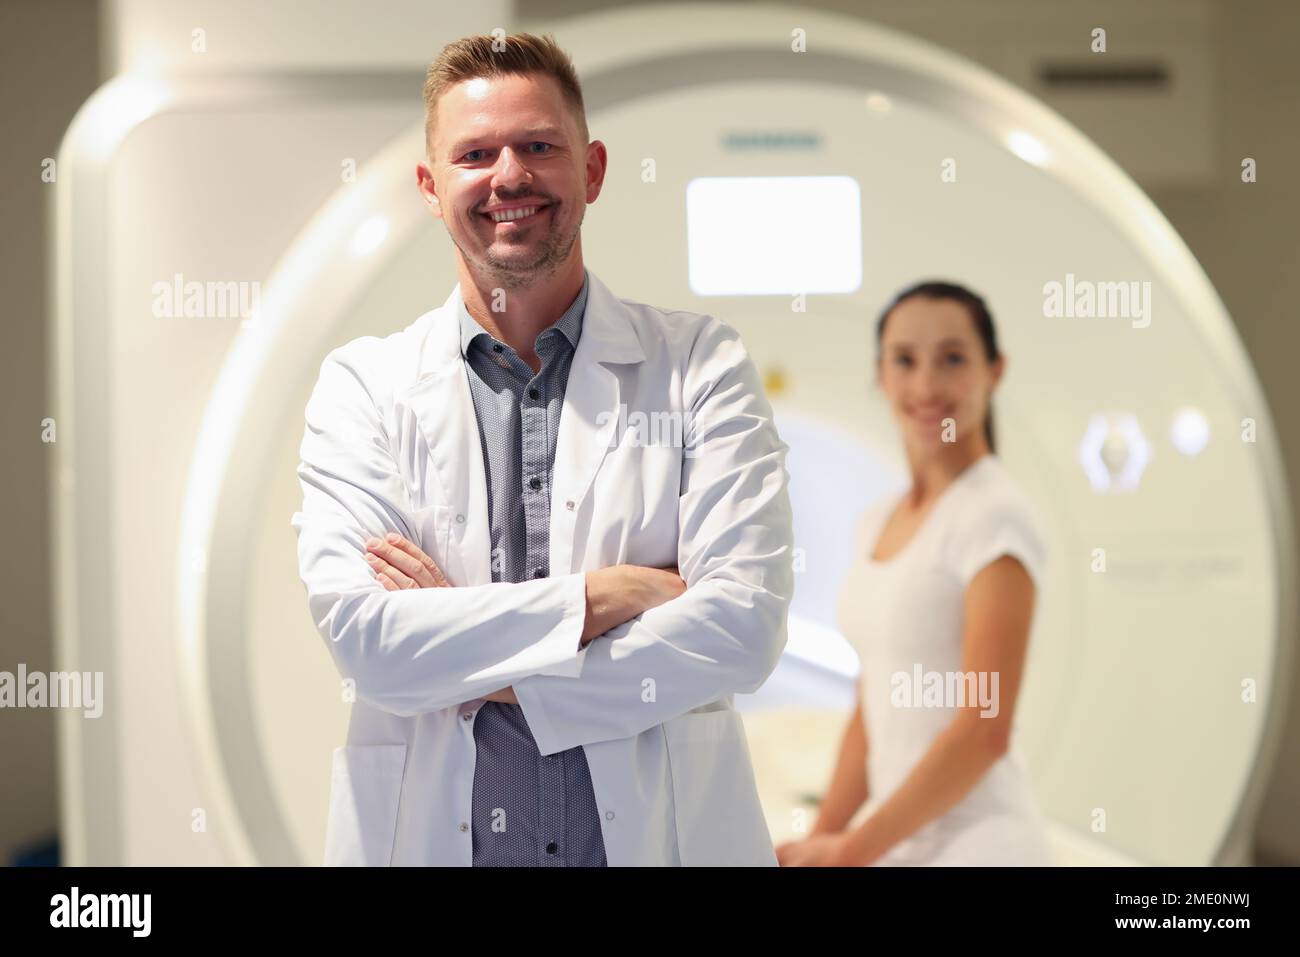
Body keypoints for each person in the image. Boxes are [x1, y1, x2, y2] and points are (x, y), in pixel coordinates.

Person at [290, 32, 794, 867]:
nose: (509, 176)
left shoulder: (700, 365)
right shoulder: (365, 387)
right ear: (430, 186)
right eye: (475, 153)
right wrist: (610, 595)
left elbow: (742, 627)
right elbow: (371, 644)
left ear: (591, 170)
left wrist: (467, 659)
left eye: (538, 146)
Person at [776, 281, 1053, 866]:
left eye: (952, 359)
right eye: (905, 361)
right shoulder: (879, 519)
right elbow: (870, 704)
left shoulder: (995, 516)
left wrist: (852, 851)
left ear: (994, 371)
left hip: (981, 844)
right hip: (902, 842)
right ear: (881, 377)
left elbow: (985, 729)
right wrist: (823, 839)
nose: (926, 386)